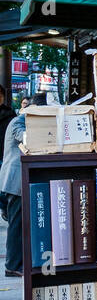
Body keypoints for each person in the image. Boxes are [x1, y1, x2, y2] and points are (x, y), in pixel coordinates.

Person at [0, 88, 40, 277]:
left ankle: (18, 262)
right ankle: (12, 265)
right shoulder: (18, 121)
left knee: (20, 224)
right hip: (15, 181)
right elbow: (27, 138)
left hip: (21, 181)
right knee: (16, 225)